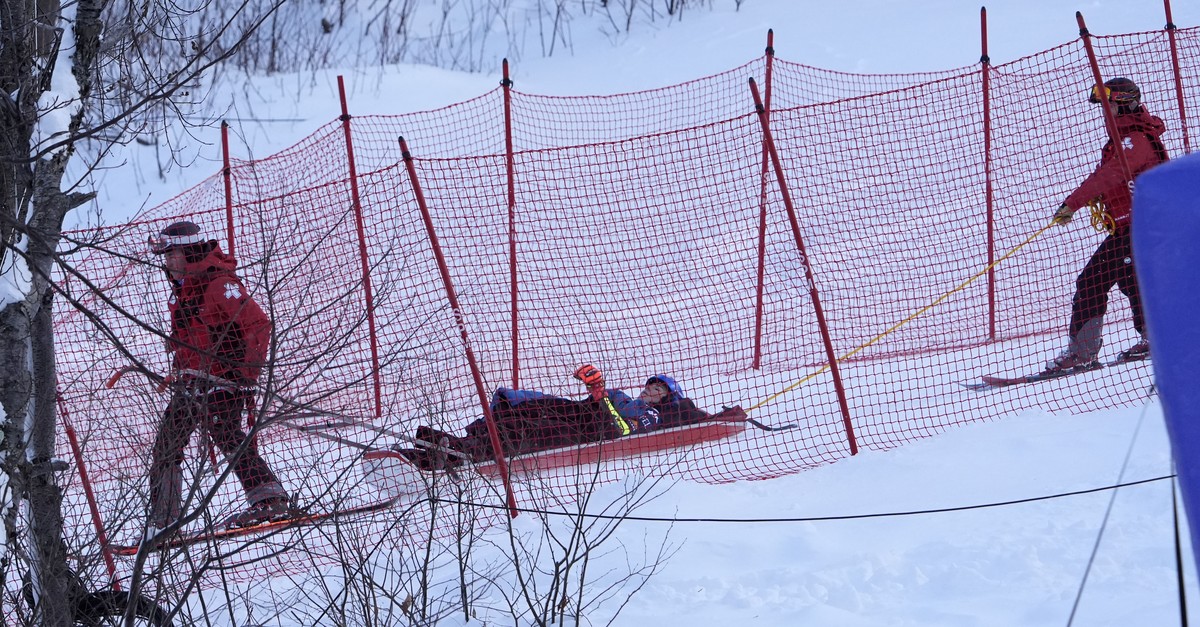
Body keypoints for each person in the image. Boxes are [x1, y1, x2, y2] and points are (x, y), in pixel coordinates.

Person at [145, 220, 289, 534]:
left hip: (226, 379)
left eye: (173, 255)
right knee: (168, 443)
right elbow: (194, 335)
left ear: (190, 252)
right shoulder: (181, 292)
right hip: (192, 382)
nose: (168, 263)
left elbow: (259, 326)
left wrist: (242, 372)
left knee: (224, 431)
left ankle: (270, 498)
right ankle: (163, 520)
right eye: (166, 257)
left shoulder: (218, 285)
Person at [1044, 77, 1169, 374]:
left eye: (1109, 104)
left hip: (1141, 228)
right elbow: (1111, 179)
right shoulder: (1124, 138)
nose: (1105, 111)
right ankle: (1158, 338)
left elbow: (1111, 175)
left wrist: (1072, 203)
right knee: (1132, 281)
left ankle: (1082, 353)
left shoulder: (1134, 140)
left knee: (1091, 281)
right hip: (1133, 227)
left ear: (1123, 104)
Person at [400, 366, 745, 470]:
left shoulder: (657, 415)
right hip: (584, 413)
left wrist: (599, 396)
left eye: (659, 389)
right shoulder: (627, 397)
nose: (650, 390)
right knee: (527, 411)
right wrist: (598, 397)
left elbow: (622, 430)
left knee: (533, 430)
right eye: (650, 385)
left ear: (670, 397)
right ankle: (451, 443)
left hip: (594, 432)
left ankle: (458, 455)